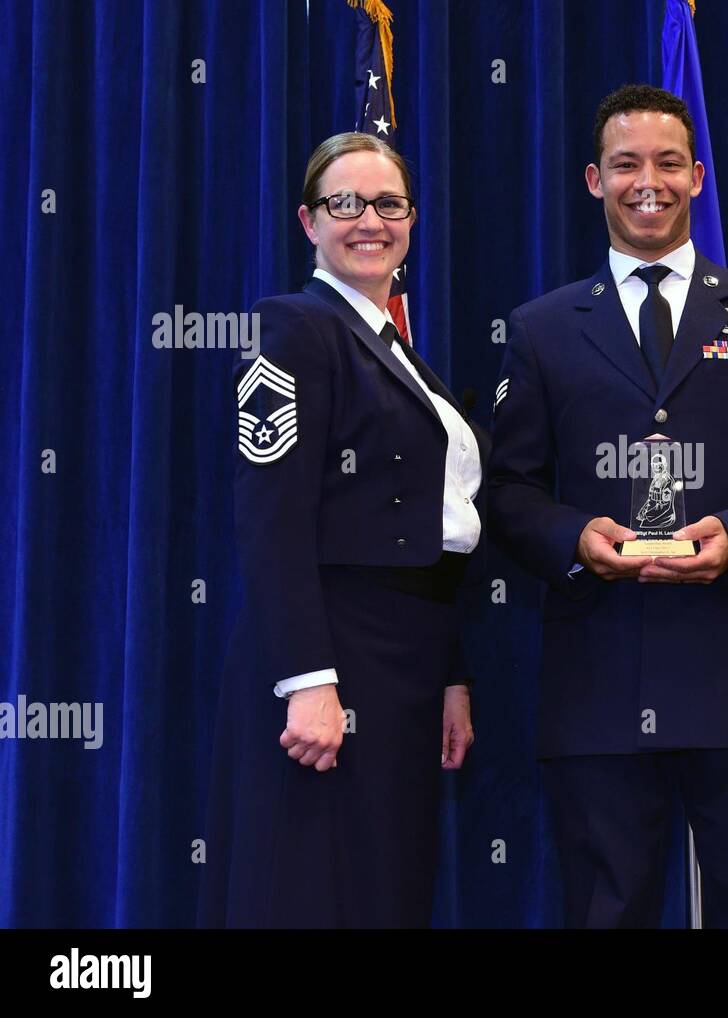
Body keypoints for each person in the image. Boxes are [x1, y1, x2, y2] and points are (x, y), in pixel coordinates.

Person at [486, 84, 728, 928]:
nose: (646, 181)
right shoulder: (539, 328)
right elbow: (506, 490)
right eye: (625, 164)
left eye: (666, 163)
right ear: (592, 178)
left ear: (698, 176)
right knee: (607, 911)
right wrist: (575, 534)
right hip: (599, 675)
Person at [198, 132, 485, 928]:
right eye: (344, 203)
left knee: (383, 886)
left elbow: (436, 528)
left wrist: (451, 673)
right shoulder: (293, 326)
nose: (369, 220)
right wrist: (307, 681)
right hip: (335, 654)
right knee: (311, 889)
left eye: (388, 204)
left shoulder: (396, 347)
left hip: (406, 658)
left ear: (412, 219)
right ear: (308, 221)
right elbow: (271, 519)